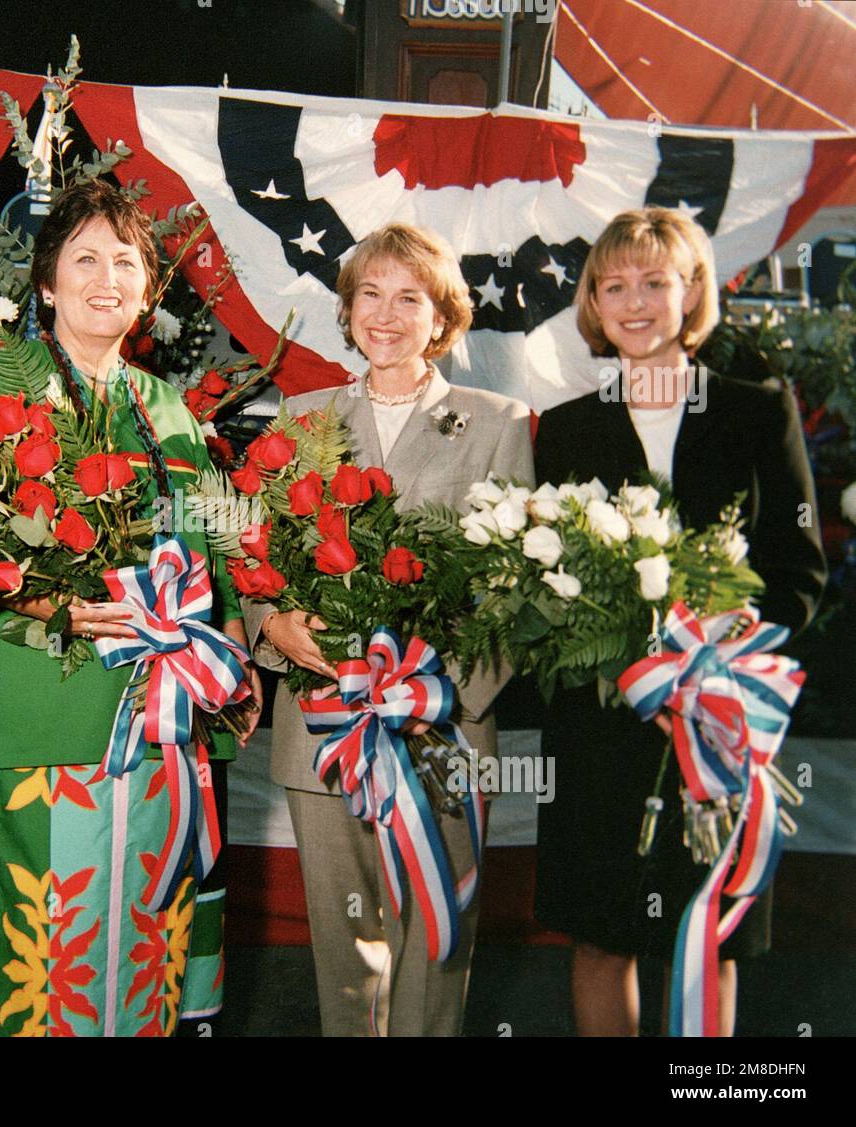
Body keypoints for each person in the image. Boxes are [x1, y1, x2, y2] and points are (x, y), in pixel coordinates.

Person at [0, 178, 261, 1038]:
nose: (107, 277)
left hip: (152, 735)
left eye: (126, 260)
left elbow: (226, 547)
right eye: (85, 258)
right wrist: (58, 608)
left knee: (135, 983)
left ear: (147, 287)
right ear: (45, 281)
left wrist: (254, 645)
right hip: (20, 733)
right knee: (26, 983)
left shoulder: (170, 408)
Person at [532, 206, 826, 1036]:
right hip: (600, 724)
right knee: (600, 935)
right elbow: (535, 586)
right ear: (592, 301)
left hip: (722, 723)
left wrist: (723, 658)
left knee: (710, 940)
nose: (634, 302)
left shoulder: (757, 411)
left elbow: (799, 569)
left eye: (654, 282)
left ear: (691, 290)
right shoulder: (564, 429)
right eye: (613, 284)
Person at [242, 223, 534, 1036]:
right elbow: (255, 561)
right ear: (346, 310)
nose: (387, 313)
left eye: (411, 297)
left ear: (442, 319)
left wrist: (435, 693)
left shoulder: (497, 421)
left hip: (441, 732)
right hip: (324, 724)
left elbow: (515, 589)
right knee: (344, 956)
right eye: (369, 293)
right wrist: (276, 626)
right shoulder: (300, 418)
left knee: (435, 947)